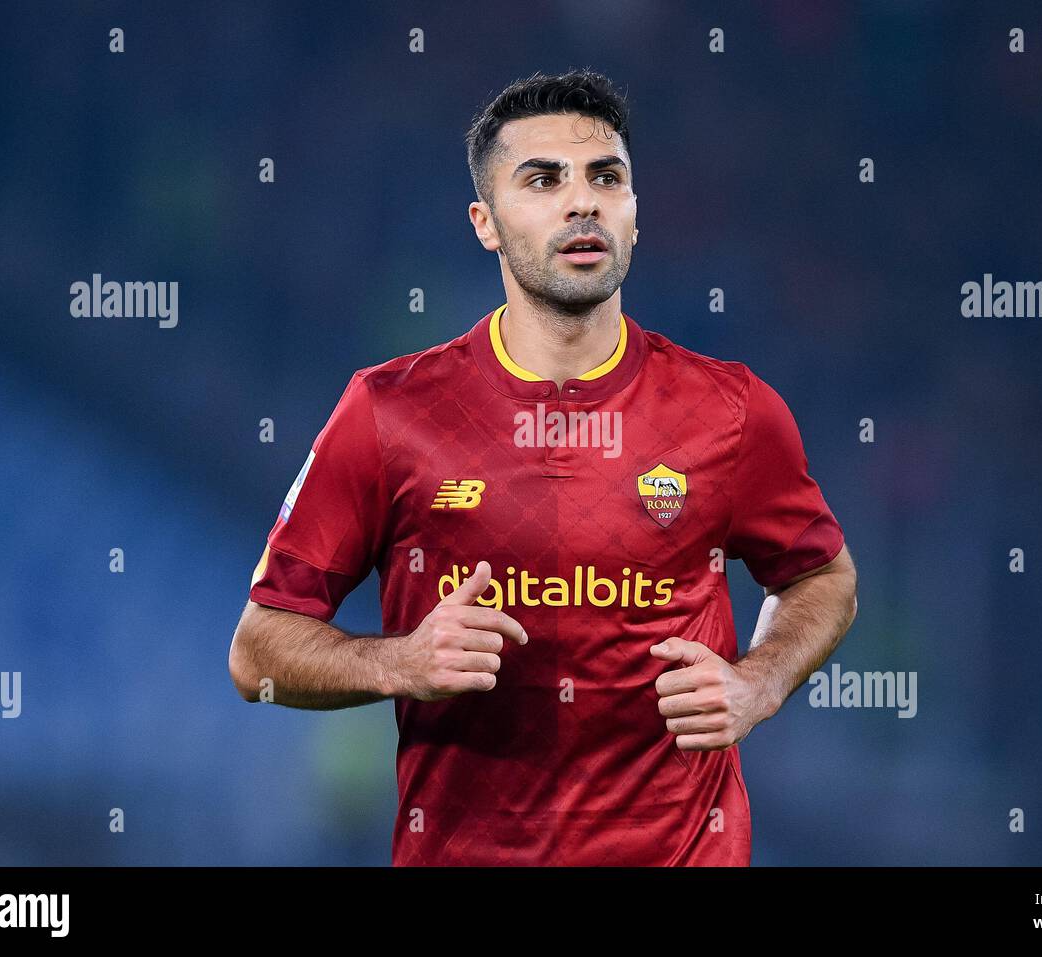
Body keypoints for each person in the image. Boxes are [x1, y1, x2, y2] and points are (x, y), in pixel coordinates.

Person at [230, 69, 858, 866]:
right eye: (543, 180)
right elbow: (257, 652)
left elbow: (823, 577)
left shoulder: (731, 410)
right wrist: (401, 660)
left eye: (607, 177)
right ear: (485, 223)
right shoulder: (390, 411)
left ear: (636, 214)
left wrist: (760, 682)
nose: (583, 202)